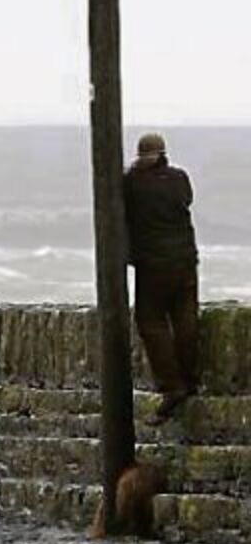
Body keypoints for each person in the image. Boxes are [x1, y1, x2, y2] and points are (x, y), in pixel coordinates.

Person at [123, 132, 199, 425]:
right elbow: (187, 200)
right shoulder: (180, 178)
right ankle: (191, 380)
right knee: (185, 318)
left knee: (151, 321)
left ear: (142, 156)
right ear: (164, 154)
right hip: (185, 259)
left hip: (153, 264)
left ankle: (173, 385)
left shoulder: (134, 183)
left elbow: (121, 198)